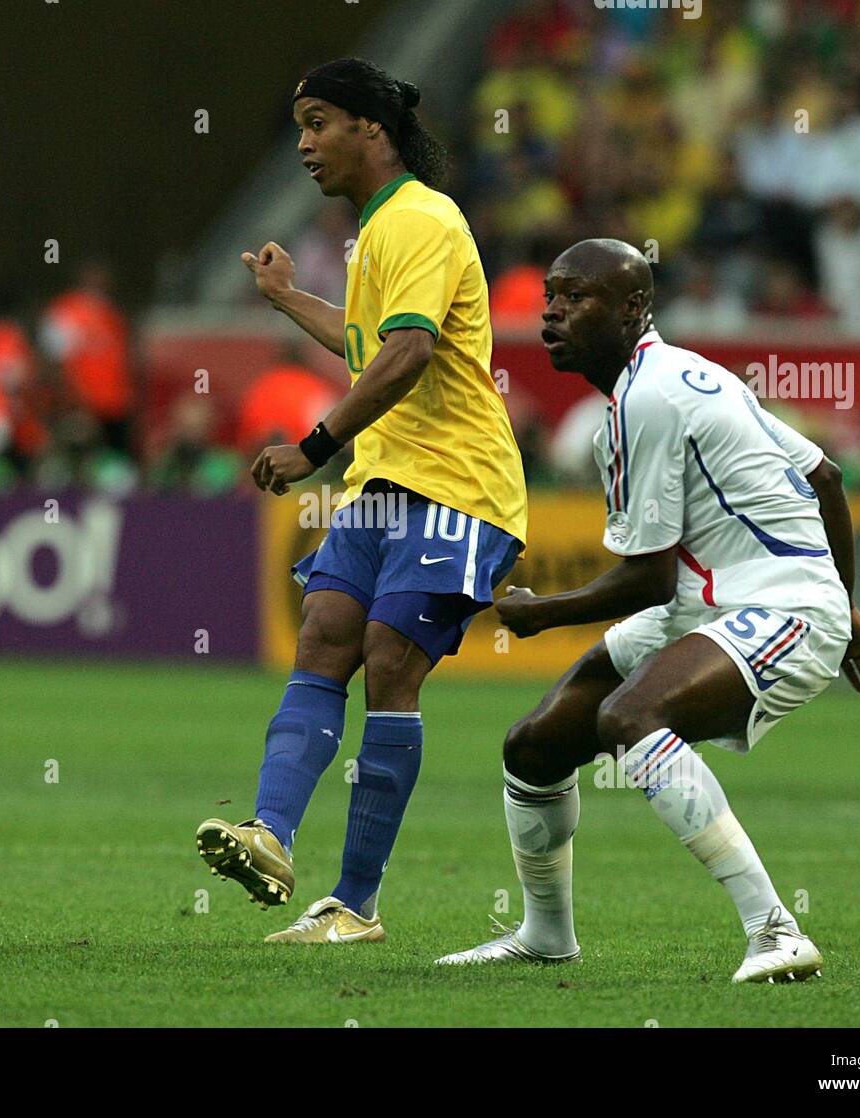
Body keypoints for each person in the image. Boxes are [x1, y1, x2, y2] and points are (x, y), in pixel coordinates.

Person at [436, 239, 860, 983]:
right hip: (711, 602)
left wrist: (540, 613)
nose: (552, 313)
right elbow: (825, 477)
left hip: (778, 605)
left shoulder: (648, 398)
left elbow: (646, 579)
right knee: (536, 746)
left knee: (630, 717)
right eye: (550, 297)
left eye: (576, 297)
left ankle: (775, 929)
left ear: (633, 308)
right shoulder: (683, 376)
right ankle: (545, 936)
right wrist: (847, 602)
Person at [195, 57, 528, 945]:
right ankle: (269, 835)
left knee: (388, 658)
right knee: (324, 634)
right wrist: (286, 300)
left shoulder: (420, 218)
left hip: (457, 484)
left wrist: (312, 447)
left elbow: (408, 354)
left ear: (369, 127)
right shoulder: (380, 228)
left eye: (317, 123)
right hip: (383, 483)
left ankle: (355, 904)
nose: (304, 145)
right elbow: (369, 346)